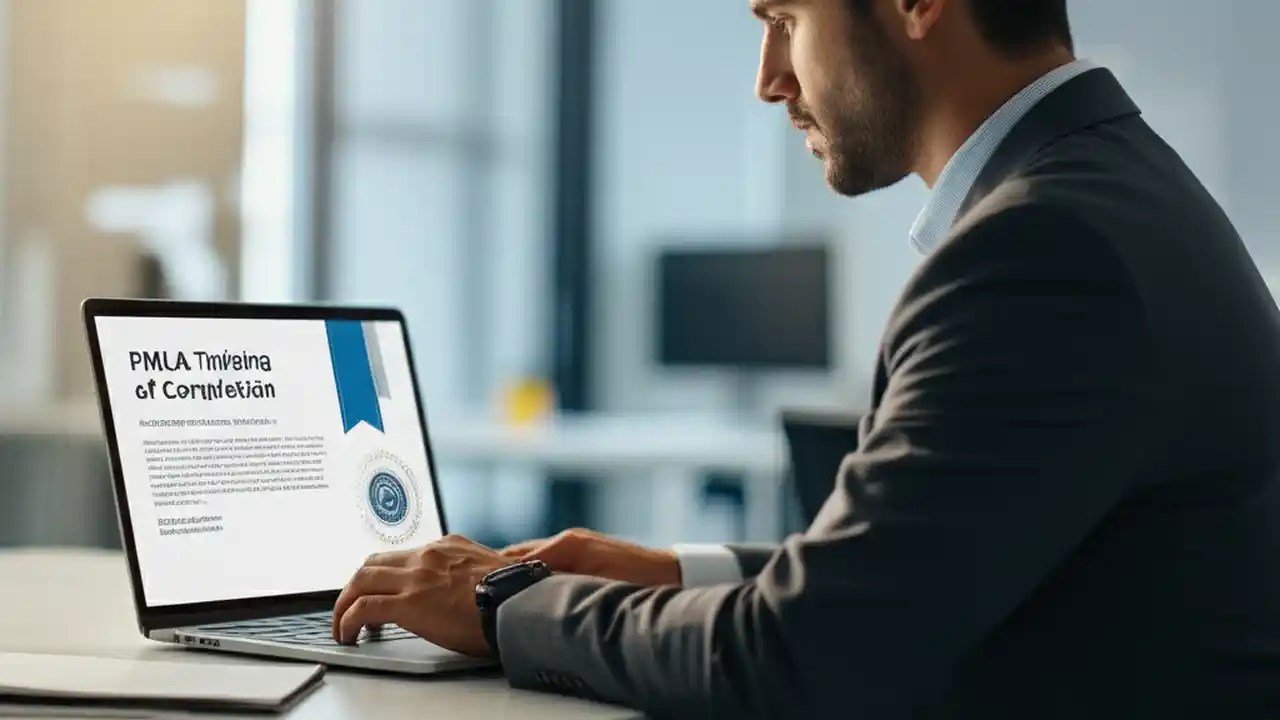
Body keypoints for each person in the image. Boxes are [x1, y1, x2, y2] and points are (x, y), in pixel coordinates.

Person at [330, 0, 1280, 715]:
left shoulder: (1040, 248)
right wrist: (667, 571)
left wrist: (506, 603)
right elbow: (917, 572)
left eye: (785, 17)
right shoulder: (1115, 193)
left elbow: (800, 655)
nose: (769, 77)